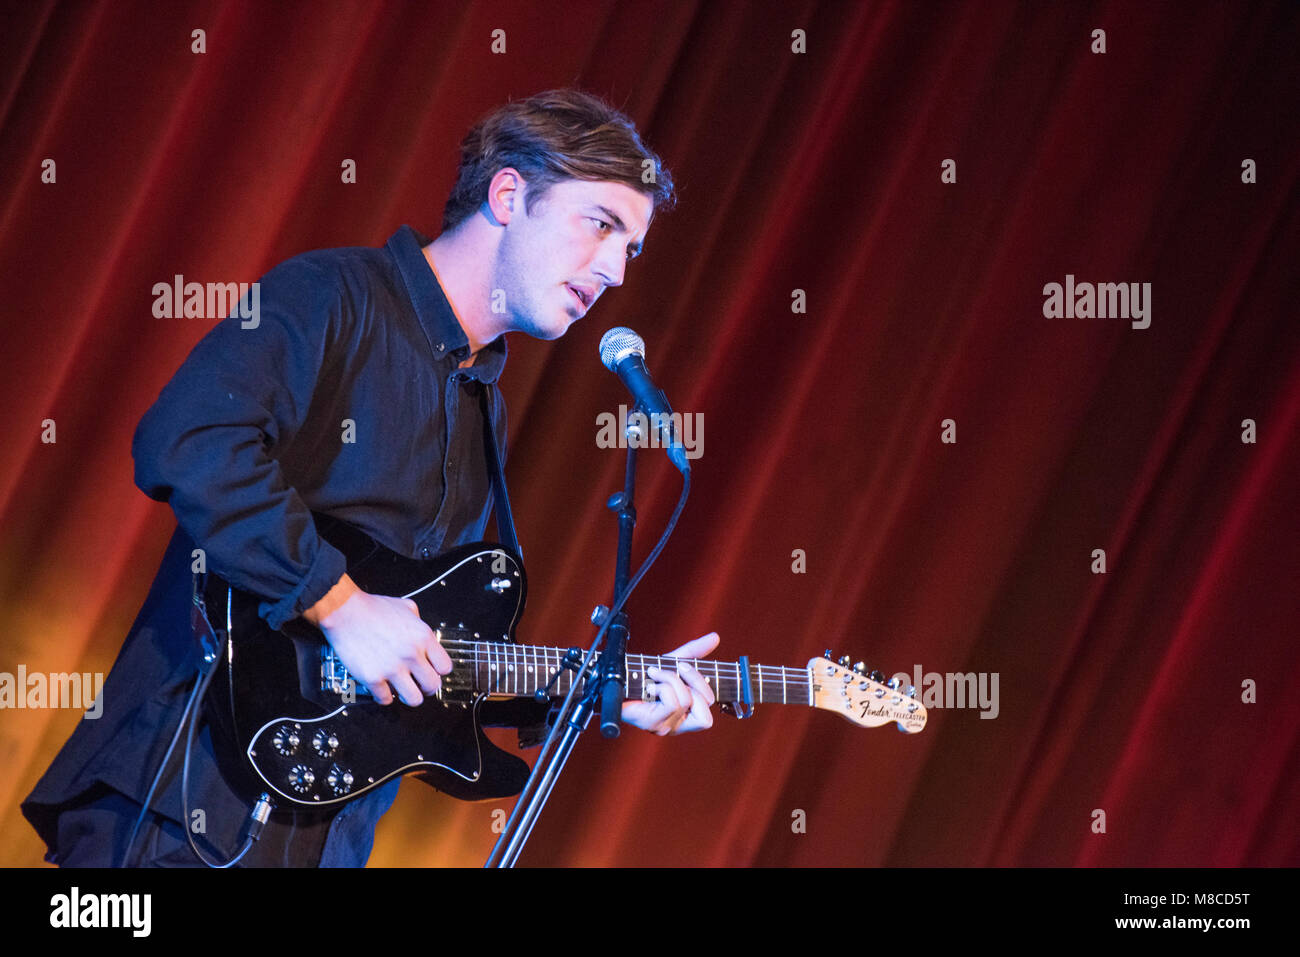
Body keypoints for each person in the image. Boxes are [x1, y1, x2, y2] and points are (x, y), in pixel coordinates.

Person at [22, 88, 720, 867]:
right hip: (180, 806)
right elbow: (185, 436)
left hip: (324, 841)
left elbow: (421, 651)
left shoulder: (481, 401)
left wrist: (599, 692)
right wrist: (338, 601)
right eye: (602, 225)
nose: (617, 271)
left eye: (632, 248)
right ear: (508, 193)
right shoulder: (333, 296)